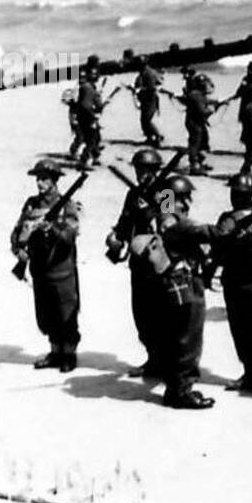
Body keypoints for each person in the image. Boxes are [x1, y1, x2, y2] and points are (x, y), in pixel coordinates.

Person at [209, 172, 252, 395]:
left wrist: (241, 242)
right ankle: (249, 372)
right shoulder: (227, 218)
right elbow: (217, 247)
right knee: (239, 329)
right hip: (233, 280)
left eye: (241, 194)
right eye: (234, 193)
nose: (236, 197)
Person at [151, 174, 217, 409]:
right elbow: (203, 232)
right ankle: (181, 391)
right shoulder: (174, 222)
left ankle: (174, 387)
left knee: (175, 335)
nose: (188, 202)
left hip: (173, 283)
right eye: (184, 198)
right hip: (184, 283)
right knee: (187, 337)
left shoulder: (165, 214)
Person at [11, 159, 81, 372]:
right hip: (41, 268)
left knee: (66, 312)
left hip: (62, 269)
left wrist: (53, 229)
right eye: (38, 179)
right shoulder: (32, 203)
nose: (40, 183)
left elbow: (167, 223)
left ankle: (68, 354)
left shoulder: (165, 191)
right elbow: (18, 229)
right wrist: (18, 249)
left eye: (44, 179)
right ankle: (56, 351)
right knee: (47, 314)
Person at [105, 147, 167, 377]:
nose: (141, 174)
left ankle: (165, 360)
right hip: (137, 261)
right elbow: (124, 221)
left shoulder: (165, 192)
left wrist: (148, 210)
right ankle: (152, 358)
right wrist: (116, 238)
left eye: (146, 170)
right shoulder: (133, 194)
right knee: (141, 313)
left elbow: (167, 224)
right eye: (139, 169)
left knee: (161, 313)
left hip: (157, 260)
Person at [183, 71, 213, 175]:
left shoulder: (198, 94)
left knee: (203, 141)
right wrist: (210, 109)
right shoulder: (196, 95)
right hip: (194, 123)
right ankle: (194, 165)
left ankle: (199, 162)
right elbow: (202, 111)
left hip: (198, 122)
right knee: (195, 143)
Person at [74, 68, 104, 168]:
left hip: (84, 116)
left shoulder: (87, 87)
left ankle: (93, 156)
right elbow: (86, 105)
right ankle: (85, 160)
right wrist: (93, 116)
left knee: (96, 138)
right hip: (87, 117)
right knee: (92, 138)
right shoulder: (88, 88)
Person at [133, 56, 164, 148]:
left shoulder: (148, 73)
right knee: (143, 120)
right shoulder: (144, 72)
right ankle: (149, 138)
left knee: (146, 120)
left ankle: (158, 136)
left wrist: (139, 90)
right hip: (145, 100)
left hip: (150, 100)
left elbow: (151, 88)